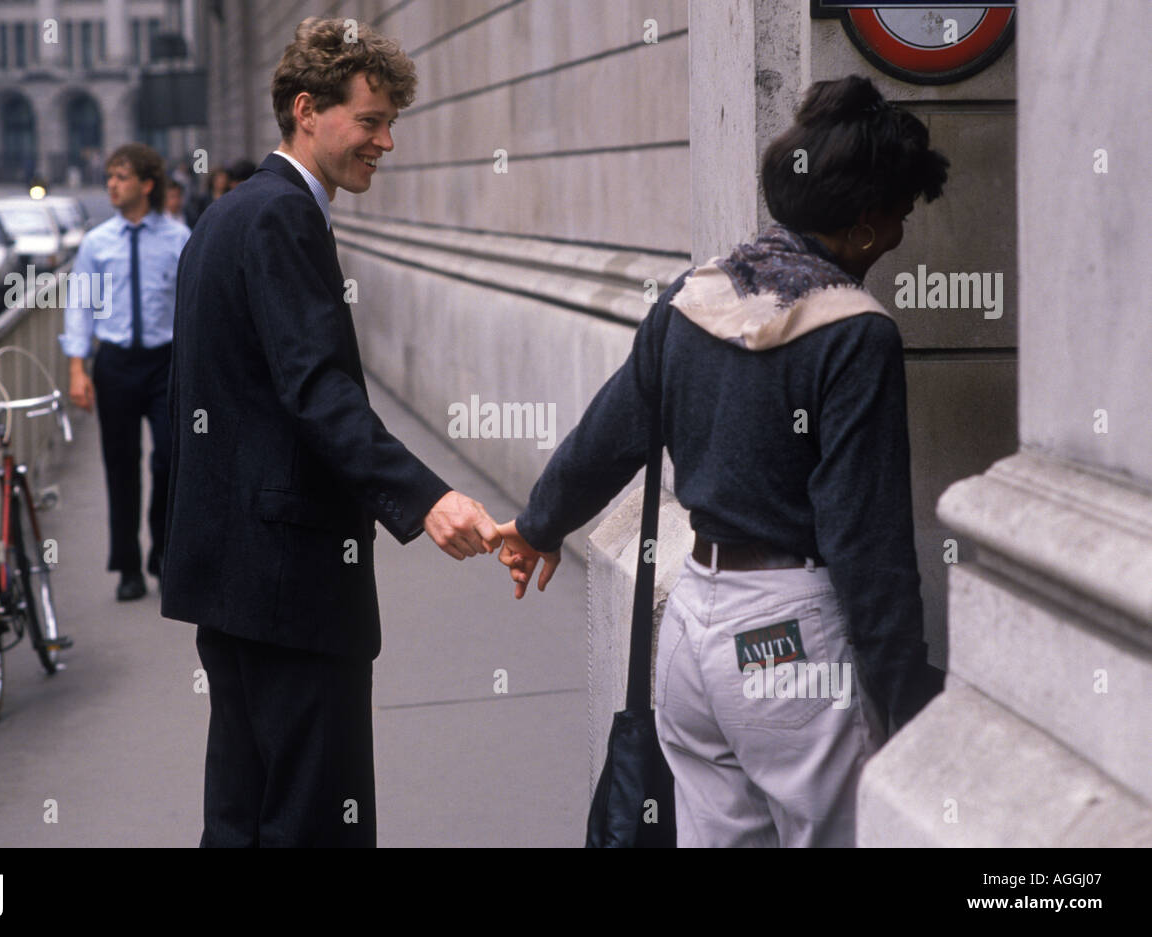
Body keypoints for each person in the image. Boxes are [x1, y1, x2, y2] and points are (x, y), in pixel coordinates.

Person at [498, 75, 950, 847]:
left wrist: (538, 526)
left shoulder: (691, 295)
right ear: (869, 221)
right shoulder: (856, 335)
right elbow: (864, 542)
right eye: (902, 214)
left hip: (692, 630)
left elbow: (608, 434)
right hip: (788, 643)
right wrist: (911, 701)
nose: (903, 233)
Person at [162, 16, 502, 848]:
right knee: (314, 819)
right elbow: (317, 391)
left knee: (242, 816)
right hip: (289, 581)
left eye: (391, 123)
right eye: (371, 119)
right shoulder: (282, 217)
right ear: (307, 109)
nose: (387, 142)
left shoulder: (228, 214)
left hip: (232, 574)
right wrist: (428, 498)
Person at [61, 143, 191, 601]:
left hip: (165, 363)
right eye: (110, 177)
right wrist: (78, 369)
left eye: (121, 176)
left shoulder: (178, 239)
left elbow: (193, 307)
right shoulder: (97, 243)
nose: (111, 184)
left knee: (170, 457)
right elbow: (80, 306)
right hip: (114, 363)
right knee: (121, 466)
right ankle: (128, 566)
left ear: (146, 184)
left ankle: (163, 548)